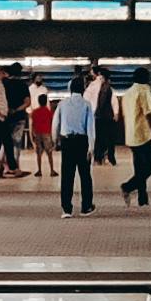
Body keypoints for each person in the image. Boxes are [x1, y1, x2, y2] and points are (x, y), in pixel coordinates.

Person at [54, 65, 98, 215]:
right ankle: (86, 206)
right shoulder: (87, 105)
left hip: (67, 141)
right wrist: (91, 148)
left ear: (70, 89)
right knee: (85, 175)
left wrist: (56, 141)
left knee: (67, 175)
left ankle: (66, 208)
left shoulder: (62, 104)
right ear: (83, 89)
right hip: (82, 141)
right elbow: (90, 128)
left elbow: (55, 124)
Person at [122, 68, 151, 210]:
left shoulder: (128, 93)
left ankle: (143, 198)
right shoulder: (143, 91)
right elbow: (148, 113)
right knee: (150, 166)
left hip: (131, 135)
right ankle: (128, 186)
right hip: (144, 135)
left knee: (140, 167)